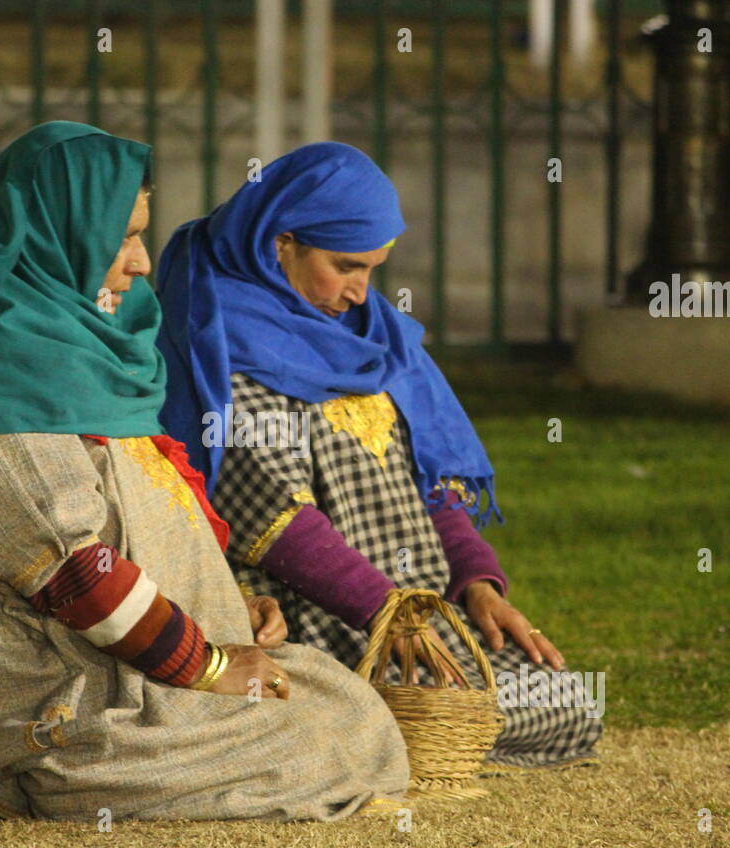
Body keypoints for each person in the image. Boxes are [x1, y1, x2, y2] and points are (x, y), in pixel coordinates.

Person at [0, 123, 408, 821]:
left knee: (336, 698)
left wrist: (223, 606)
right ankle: (19, 777)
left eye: (141, 235)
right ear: (55, 238)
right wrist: (211, 665)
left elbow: (139, 509)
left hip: (133, 668)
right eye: (120, 240)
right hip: (59, 708)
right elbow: (76, 572)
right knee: (319, 737)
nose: (140, 264)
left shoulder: (82, 350)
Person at [155, 141, 602, 770]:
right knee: (391, 710)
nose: (362, 293)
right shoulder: (217, 340)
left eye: (373, 270)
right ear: (279, 242)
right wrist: (384, 615)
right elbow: (277, 522)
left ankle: (393, 735)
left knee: (568, 699)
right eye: (345, 267)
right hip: (316, 620)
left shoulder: (372, 336)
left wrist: (478, 587)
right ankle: (363, 726)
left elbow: (427, 482)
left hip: (417, 617)